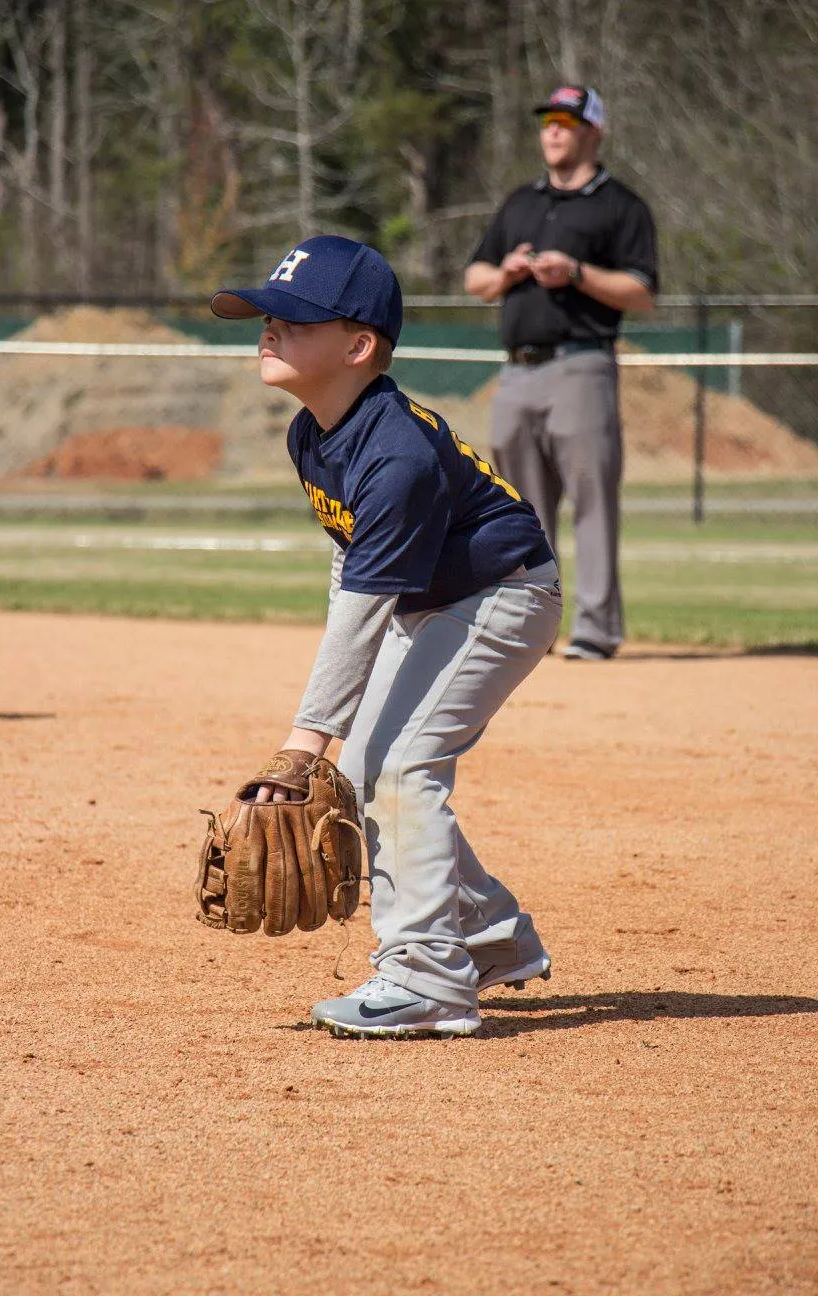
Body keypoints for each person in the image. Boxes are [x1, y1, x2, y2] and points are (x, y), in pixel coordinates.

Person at [210, 234, 562, 1038]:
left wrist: (303, 747)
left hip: (501, 596)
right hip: (428, 602)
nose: (268, 329)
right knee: (370, 766)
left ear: (359, 345)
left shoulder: (396, 454)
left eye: (293, 321)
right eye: (265, 315)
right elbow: (354, 574)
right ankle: (486, 937)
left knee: (401, 765)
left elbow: (366, 602)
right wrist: (326, 738)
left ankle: (428, 979)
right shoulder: (312, 432)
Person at [465, 84, 658, 661]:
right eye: (547, 120)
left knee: (592, 500)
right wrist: (506, 273)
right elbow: (475, 277)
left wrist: (575, 272)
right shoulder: (521, 201)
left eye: (566, 122)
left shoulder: (619, 204)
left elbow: (642, 290)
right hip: (517, 372)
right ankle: (529, 628)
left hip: (581, 365)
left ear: (593, 131)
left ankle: (595, 631)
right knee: (518, 506)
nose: (553, 130)